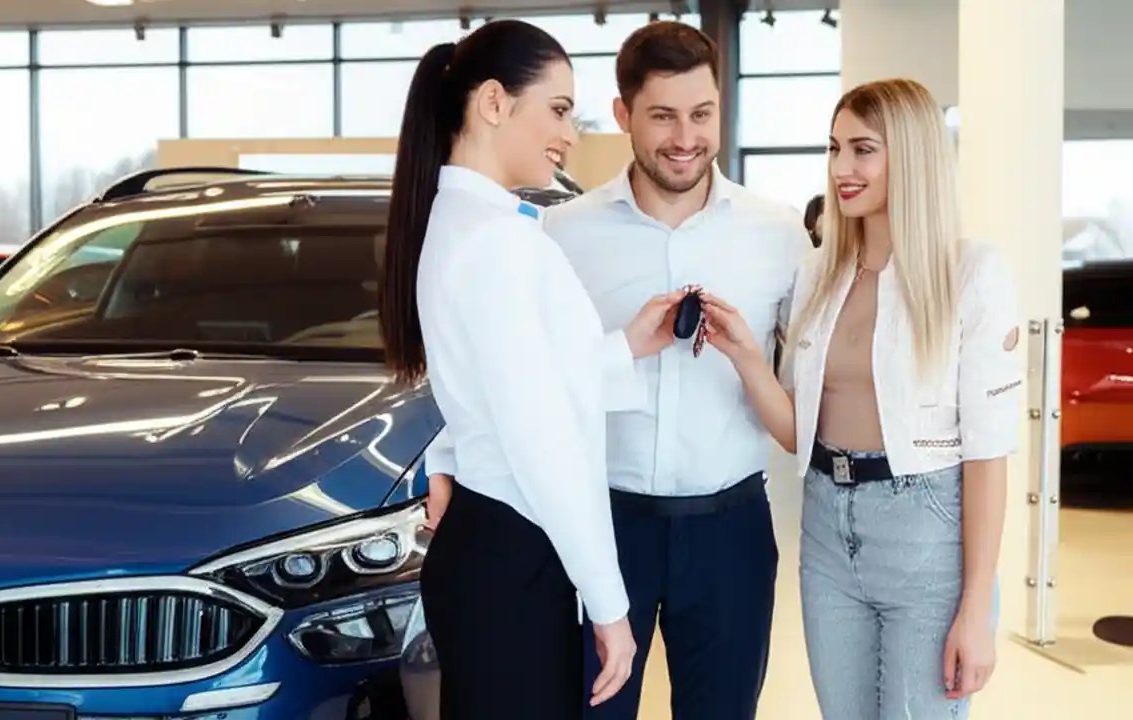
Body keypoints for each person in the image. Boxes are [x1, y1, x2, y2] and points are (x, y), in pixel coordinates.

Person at [424, 20, 809, 719]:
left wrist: (729, 355)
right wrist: (450, 453)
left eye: (702, 114)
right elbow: (521, 390)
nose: (685, 137)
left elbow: (527, 379)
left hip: (730, 531)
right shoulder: (557, 231)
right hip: (604, 521)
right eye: (663, 116)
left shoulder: (778, 233)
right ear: (626, 114)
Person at [379, 19, 686, 720]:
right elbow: (543, 439)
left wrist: (624, 347)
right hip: (514, 553)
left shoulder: (461, 224)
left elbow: (521, 387)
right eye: (556, 109)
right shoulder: (499, 242)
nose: (570, 133)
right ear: (493, 102)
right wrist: (610, 605)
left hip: (490, 549)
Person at [698, 77, 1020, 719]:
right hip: (824, 525)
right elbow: (798, 430)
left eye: (863, 150)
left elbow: (989, 455)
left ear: (911, 155)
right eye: (835, 148)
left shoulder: (972, 273)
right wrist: (744, 356)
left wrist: (976, 607)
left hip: (926, 528)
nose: (842, 169)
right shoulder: (822, 270)